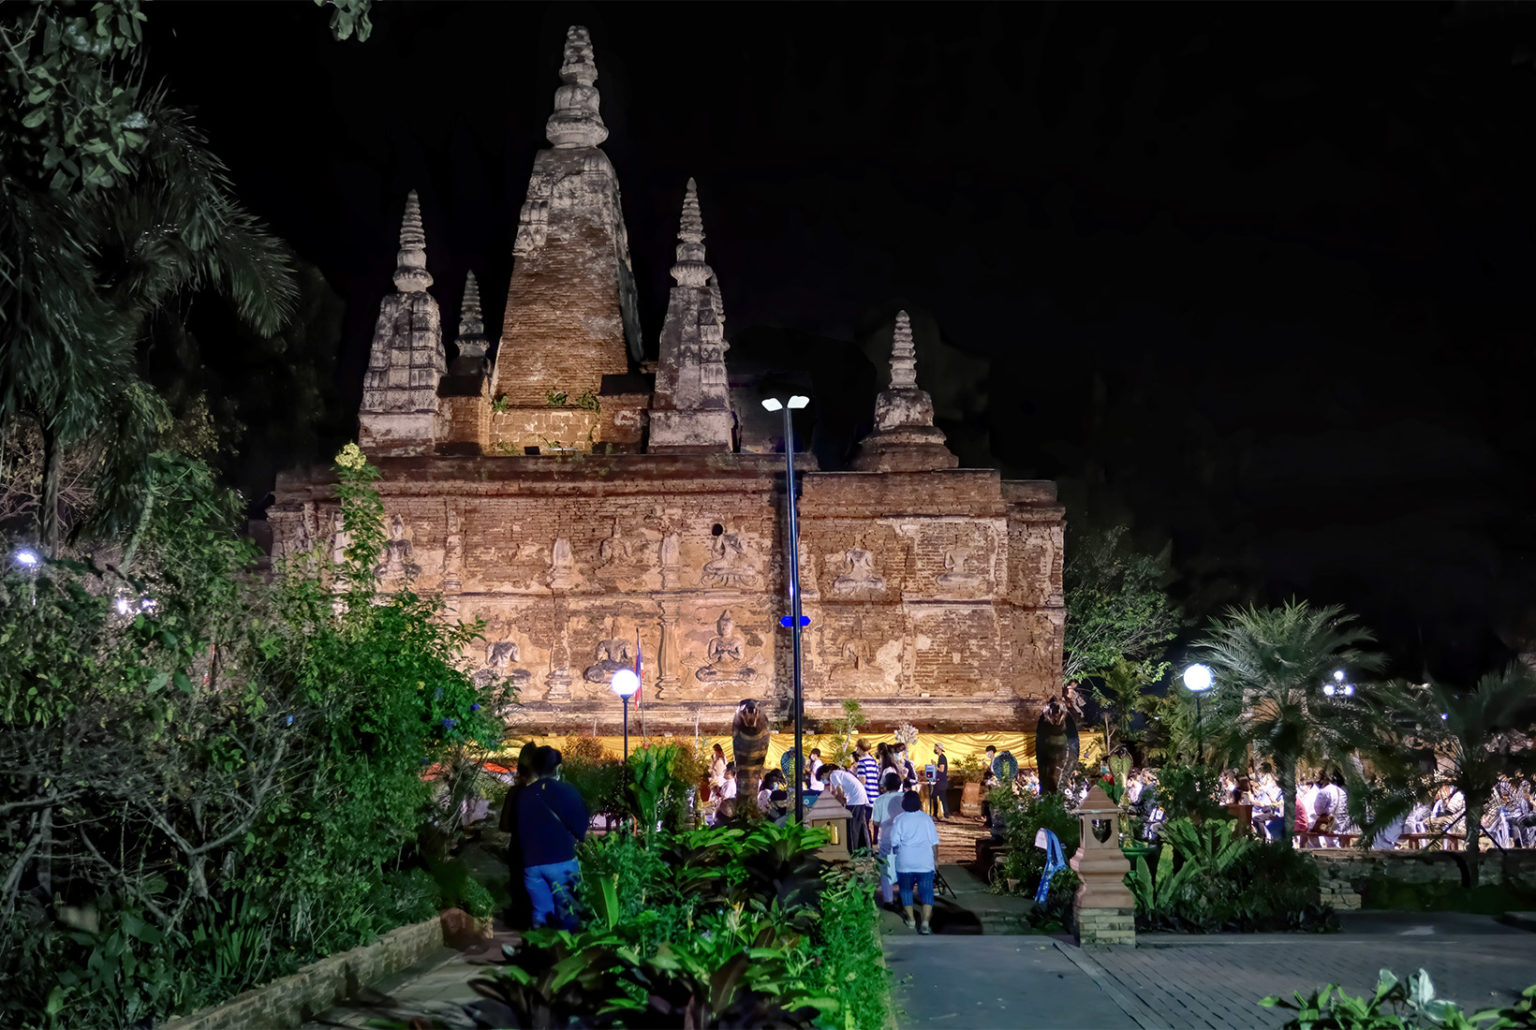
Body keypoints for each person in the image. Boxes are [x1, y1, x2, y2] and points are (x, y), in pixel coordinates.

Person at [509, 746, 588, 931]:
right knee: (569, 915)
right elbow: (581, 826)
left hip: (532, 866)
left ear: (534, 769)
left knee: (541, 914)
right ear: (558, 768)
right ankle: (566, 955)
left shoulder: (523, 795)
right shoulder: (567, 791)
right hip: (562, 861)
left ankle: (543, 955)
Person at [497, 741, 540, 929]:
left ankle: (525, 942)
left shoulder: (514, 792)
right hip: (537, 851)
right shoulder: (541, 792)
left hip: (518, 849)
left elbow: (504, 825)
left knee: (520, 896)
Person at [889, 790, 940, 934]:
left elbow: (894, 842)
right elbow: (934, 842)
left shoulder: (899, 819)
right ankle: (925, 922)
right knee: (927, 892)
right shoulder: (926, 819)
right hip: (924, 861)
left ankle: (911, 920)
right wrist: (936, 859)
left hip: (905, 861)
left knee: (906, 891)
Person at [821, 762, 872, 852]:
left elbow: (839, 790)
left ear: (825, 773)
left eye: (823, 778)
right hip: (861, 799)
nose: (825, 780)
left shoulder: (833, 774)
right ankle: (866, 850)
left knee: (852, 828)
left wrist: (839, 801)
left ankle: (852, 851)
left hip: (855, 800)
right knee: (861, 827)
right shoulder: (842, 773)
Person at [872, 771, 904, 906]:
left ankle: (888, 900)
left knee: (886, 870)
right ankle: (904, 897)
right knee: (903, 868)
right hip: (903, 839)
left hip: (886, 838)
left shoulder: (879, 800)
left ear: (884, 785)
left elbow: (876, 822)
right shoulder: (905, 798)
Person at [929, 744, 949, 819]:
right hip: (941, 781)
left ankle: (935, 814)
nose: (934, 749)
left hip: (941, 782)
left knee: (934, 796)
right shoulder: (941, 758)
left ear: (940, 749)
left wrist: (934, 765)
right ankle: (946, 814)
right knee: (942, 798)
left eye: (936, 748)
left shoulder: (942, 758)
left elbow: (941, 769)